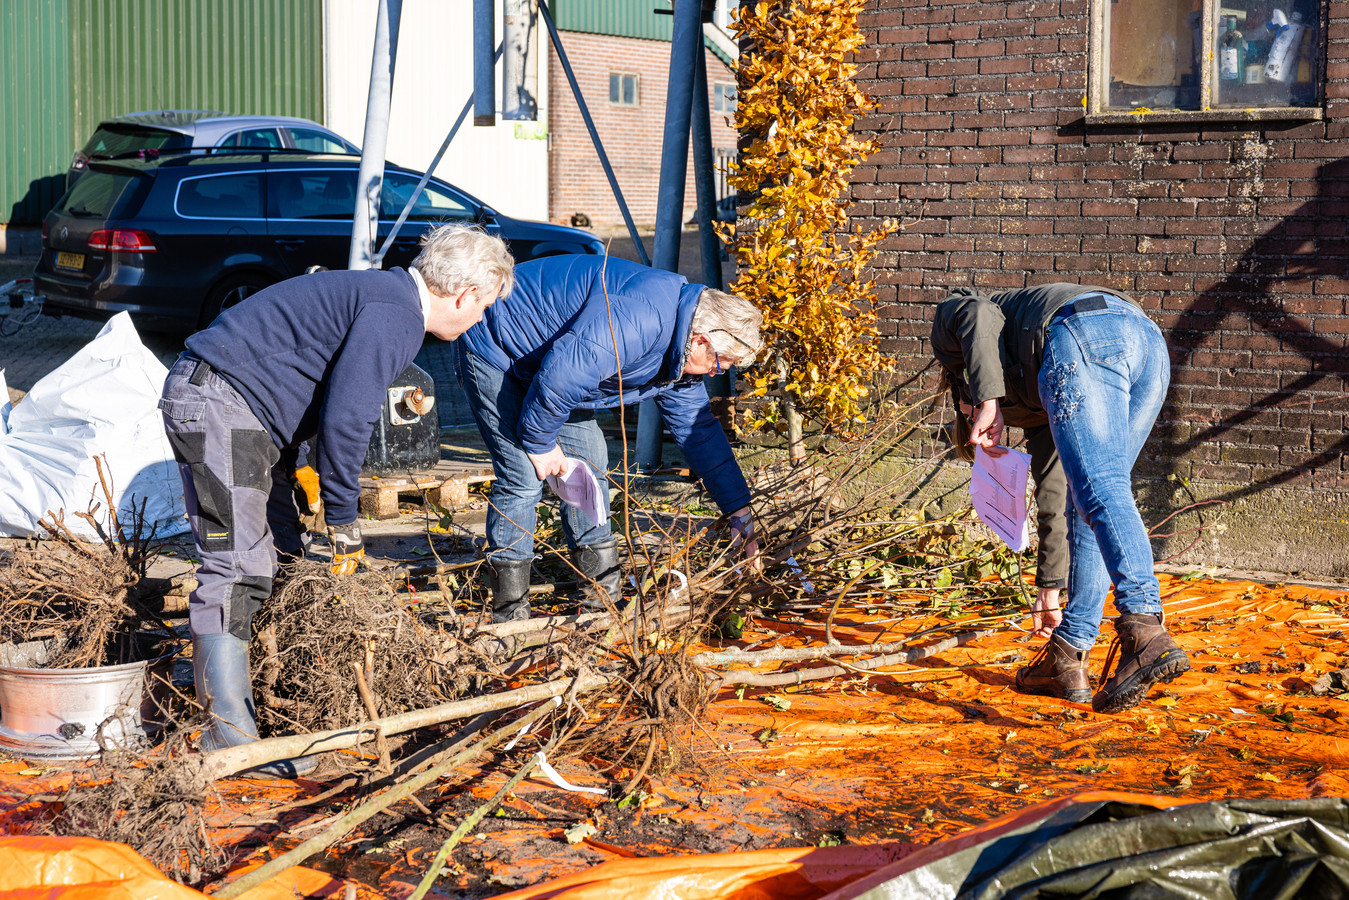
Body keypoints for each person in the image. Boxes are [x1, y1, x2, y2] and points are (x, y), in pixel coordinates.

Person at [160, 224, 514, 776]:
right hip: (220, 407)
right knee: (236, 565)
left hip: (244, 413)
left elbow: (311, 382)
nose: (480, 318)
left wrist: (298, 466)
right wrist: (345, 522)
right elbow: (349, 419)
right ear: (467, 293)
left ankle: (278, 697)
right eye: (484, 306)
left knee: (286, 554)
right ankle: (229, 739)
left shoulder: (385, 297)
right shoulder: (396, 313)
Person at [459, 254, 762, 623]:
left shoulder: (678, 356)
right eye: (721, 363)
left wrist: (738, 511)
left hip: (555, 370)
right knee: (523, 476)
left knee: (590, 461)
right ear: (700, 341)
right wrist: (540, 444)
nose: (717, 372)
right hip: (500, 347)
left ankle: (599, 602)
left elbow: (699, 432)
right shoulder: (643, 319)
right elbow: (566, 372)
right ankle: (510, 616)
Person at [931, 284, 1190, 714]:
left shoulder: (951, 339)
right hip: (1145, 345)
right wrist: (1049, 589)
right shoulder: (1033, 404)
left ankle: (1144, 627)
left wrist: (987, 398)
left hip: (1083, 333)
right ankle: (1068, 653)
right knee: (1089, 495)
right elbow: (1055, 494)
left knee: (1102, 486)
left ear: (961, 388)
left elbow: (979, 313)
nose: (970, 413)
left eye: (968, 407)